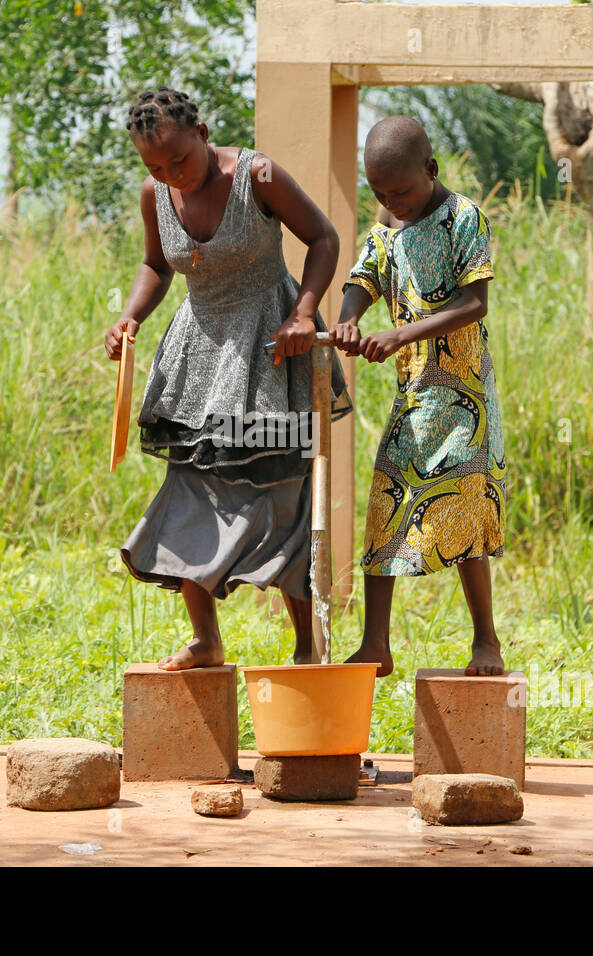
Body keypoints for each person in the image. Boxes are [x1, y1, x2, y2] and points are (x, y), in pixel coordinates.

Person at [104, 87, 352, 672]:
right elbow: (155, 264)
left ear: (204, 134)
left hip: (272, 350)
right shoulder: (155, 194)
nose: (171, 175)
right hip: (198, 358)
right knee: (191, 485)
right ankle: (205, 641)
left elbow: (323, 238)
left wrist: (302, 313)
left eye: (180, 161)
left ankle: (306, 648)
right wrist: (130, 317)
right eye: (155, 167)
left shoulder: (257, 175)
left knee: (283, 492)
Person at [331, 115, 507, 678]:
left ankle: (487, 642)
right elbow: (365, 275)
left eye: (402, 191)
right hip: (413, 396)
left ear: (431, 170)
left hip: (466, 399)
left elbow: (474, 302)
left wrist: (399, 333)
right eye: (380, 193)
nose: (393, 203)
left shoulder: (464, 218)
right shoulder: (388, 222)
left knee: (468, 510)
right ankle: (376, 644)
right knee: (387, 503)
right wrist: (349, 321)